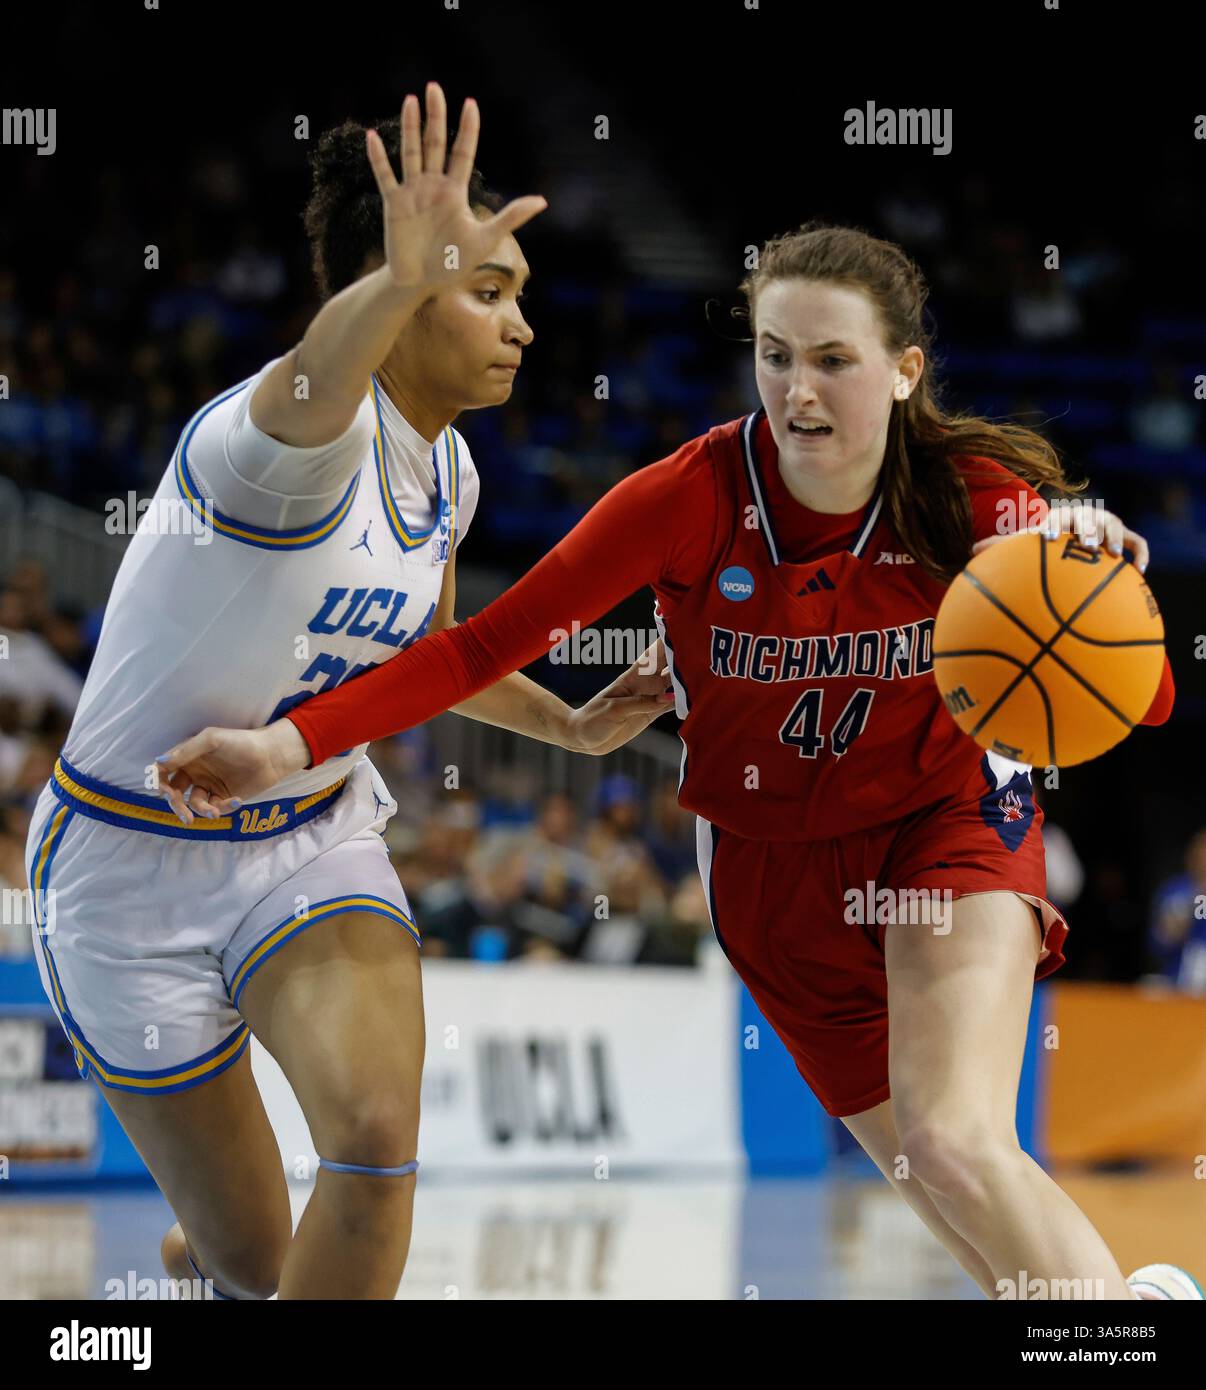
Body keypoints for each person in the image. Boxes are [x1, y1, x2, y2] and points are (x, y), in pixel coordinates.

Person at [157, 218, 1198, 1302]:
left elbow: (1151, 699)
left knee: (954, 1138)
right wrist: (285, 742)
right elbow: (473, 647)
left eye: (834, 360)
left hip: (942, 822)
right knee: (934, 1184)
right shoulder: (690, 497)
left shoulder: (976, 498)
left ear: (904, 371)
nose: (799, 391)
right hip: (767, 869)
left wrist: (1092, 583)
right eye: (775, 355)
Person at [22, 85, 669, 1301]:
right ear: (398, 287)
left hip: (309, 835)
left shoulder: (451, 474)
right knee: (257, 1266)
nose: (521, 325)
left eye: (519, 293)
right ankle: (199, 1271)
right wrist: (390, 284)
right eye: (488, 290)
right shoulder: (271, 447)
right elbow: (319, 376)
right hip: (122, 870)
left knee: (374, 1141)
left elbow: (427, 662)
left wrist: (571, 725)